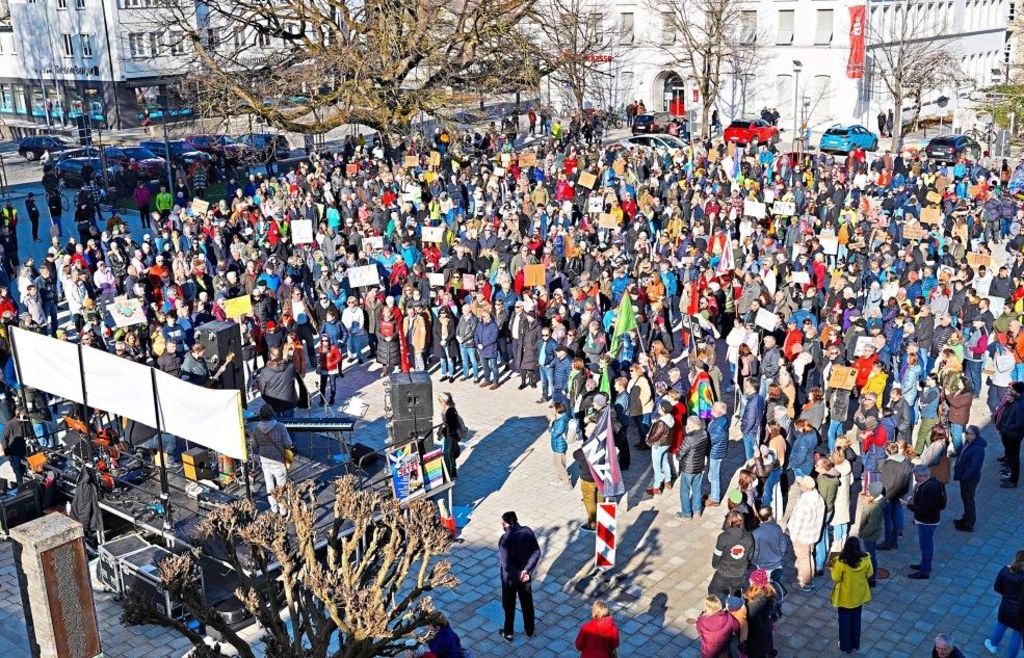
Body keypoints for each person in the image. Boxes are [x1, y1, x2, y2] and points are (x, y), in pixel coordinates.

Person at [497, 511, 541, 642]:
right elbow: (536, 551)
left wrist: (518, 574)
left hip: (510, 579)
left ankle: (508, 632)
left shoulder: (505, 539)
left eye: (502, 522)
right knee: (527, 603)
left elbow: (506, 564)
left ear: (506, 523)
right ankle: (530, 630)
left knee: (509, 605)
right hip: (525, 577)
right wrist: (526, 571)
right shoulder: (528, 532)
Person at [829, 536, 873, 654]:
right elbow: (870, 573)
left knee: (844, 623)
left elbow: (836, 578)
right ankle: (855, 644)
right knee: (856, 621)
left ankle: (845, 647)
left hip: (844, 598)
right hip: (859, 596)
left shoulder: (841, 561)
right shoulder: (866, 558)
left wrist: (832, 567)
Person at [248, 405, 293, 516]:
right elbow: (288, 444)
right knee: (281, 487)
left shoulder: (256, 429)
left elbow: (255, 445)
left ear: (261, 416)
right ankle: (283, 509)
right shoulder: (280, 427)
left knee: (269, 485)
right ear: (272, 414)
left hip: (265, 462)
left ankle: (274, 508)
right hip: (279, 462)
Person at [907, 464, 946, 580]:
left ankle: (925, 571)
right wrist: (915, 499)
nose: (915, 479)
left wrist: (908, 505)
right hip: (929, 520)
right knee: (925, 545)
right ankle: (924, 564)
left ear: (923, 476)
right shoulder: (932, 483)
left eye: (916, 476)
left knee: (926, 546)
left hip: (927, 522)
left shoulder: (929, 489)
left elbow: (921, 509)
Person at [788, 475, 825, 592]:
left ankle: (805, 583)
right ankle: (810, 578)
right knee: (809, 556)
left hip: (802, 537)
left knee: (804, 560)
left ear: (806, 487)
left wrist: (793, 537)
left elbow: (797, 523)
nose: (799, 486)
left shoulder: (804, 503)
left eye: (800, 484)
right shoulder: (819, 498)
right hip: (813, 535)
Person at [985, 550, 1024, 656]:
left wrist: (1007, 595)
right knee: (1017, 634)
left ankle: (993, 645)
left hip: (1006, 606)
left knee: (1001, 625)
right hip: (1021, 612)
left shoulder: (1005, 571)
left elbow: (997, 587)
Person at [709, 510, 754, 596]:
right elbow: (750, 555)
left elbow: (717, 554)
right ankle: (735, 603)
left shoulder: (723, 537)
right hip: (740, 572)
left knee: (713, 591)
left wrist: (714, 565)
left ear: (729, 522)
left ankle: (718, 604)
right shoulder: (749, 536)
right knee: (736, 594)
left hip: (723, 572)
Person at [952, 424, 985, 532]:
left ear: (976, 435)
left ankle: (969, 524)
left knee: (969, 500)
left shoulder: (978, 449)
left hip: (969, 479)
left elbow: (974, 467)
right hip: (965, 478)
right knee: (965, 499)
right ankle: (966, 518)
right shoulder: (969, 443)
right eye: (967, 433)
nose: (968, 436)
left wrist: (965, 477)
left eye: (971, 434)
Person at [677, 415, 709, 519]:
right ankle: (697, 511)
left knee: (684, 491)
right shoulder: (704, 433)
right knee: (697, 489)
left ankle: (686, 513)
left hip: (688, 469)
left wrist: (687, 433)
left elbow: (680, 455)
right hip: (699, 466)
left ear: (692, 425)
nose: (686, 426)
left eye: (688, 424)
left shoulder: (689, 438)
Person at [856, 481, 885, 588]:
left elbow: (871, 525)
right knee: (870, 555)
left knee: (870, 557)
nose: (868, 492)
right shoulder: (879, 500)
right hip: (873, 534)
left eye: (869, 490)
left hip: (870, 535)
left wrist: (862, 533)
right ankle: (871, 576)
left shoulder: (875, 507)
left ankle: (871, 579)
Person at [743, 568, 776, 658]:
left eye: (751, 580)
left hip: (756, 641)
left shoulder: (754, 605)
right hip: (766, 635)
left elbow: (755, 624)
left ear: (756, 584)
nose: (749, 580)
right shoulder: (769, 593)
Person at [645, 400, 675, 496]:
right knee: (665, 461)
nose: (658, 409)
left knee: (656, 466)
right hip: (666, 444)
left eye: (659, 408)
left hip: (658, 445)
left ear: (663, 409)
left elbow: (656, 436)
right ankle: (668, 481)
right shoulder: (670, 417)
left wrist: (648, 440)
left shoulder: (661, 422)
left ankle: (656, 487)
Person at [0, 405, 31, 489]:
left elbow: (29, 433)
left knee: (24, 468)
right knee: (17, 470)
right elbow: (4, 439)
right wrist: (7, 453)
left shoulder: (25, 422)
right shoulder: (10, 424)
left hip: (23, 450)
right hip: (14, 452)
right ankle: (21, 486)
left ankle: (24, 483)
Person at [436, 392, 461, 479]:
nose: (440, 403)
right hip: (448, 435)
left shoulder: (450, 410)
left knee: (448, 454)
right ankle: (451, 472)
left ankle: (448, 473)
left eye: (441, 401)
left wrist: (443, 431)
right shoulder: (447, 409)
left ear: (445, 401)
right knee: (450, 454)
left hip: (449, 436)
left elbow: (451, 425)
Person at [315, 334, 344, 406]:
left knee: (332, 385)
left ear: (329, 341)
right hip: (324, 369)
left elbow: (339, 357)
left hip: (332, 370)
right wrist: (319, 364)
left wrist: (333, 363)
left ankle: (332, 399)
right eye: (323, 341)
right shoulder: (320, 348)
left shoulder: (333, 348)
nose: (324, 342)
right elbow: (321, 358)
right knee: (322, 385)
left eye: (326, 340)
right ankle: (322, 400)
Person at [549, 401, 571, 486]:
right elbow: (550, 430)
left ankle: (566, 482)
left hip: (559, 445)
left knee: (559, 464)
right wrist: (552, 422)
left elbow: (555, 434)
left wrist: (552, 422)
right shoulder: (559, 418)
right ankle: (560, 478)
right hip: (557, 445)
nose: (552, 410)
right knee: (560, 462)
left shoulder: (562, 421)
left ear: (557, 410)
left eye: (554, 408)